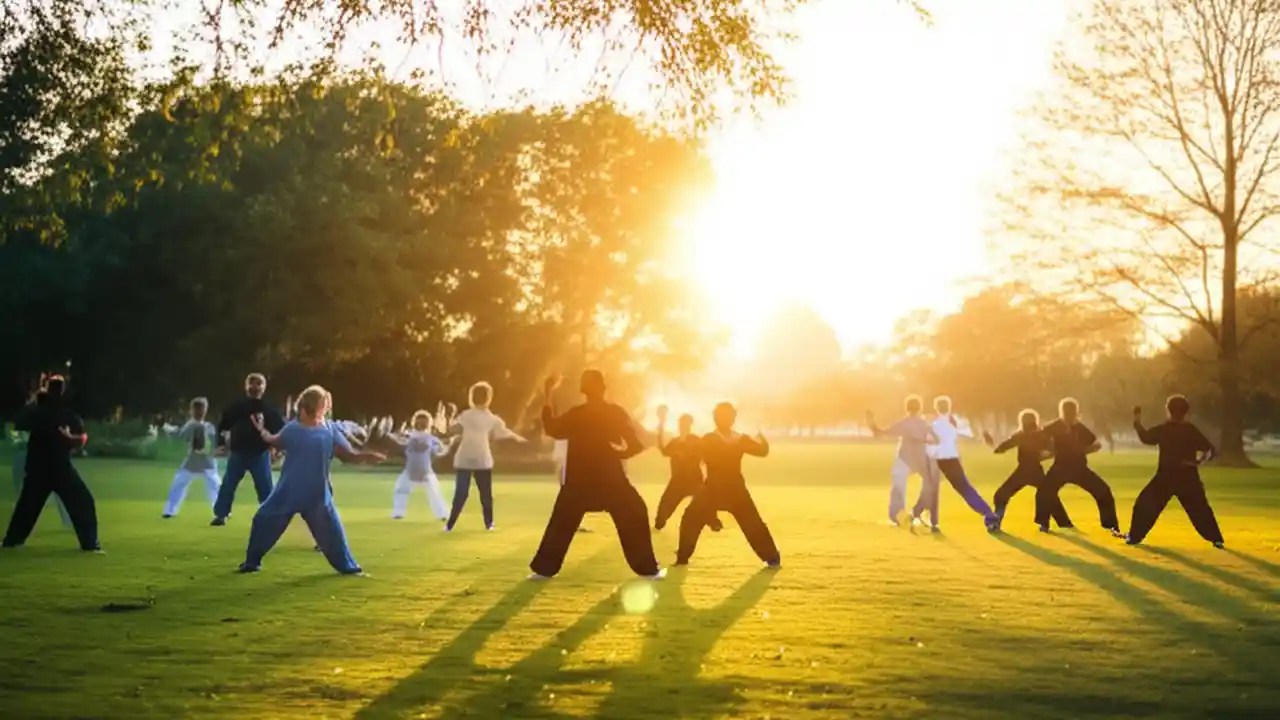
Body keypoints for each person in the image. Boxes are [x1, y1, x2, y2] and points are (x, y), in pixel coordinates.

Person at [529, 371, 664, 580]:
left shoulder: (576, 414)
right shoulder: (614, 412)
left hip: (579, 481)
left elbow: (553, 429)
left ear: (583, 390)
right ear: (604, 388)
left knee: (561, 521)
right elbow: (636, 445)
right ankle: (648, 570)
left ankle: (543, 571)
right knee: (636, 511)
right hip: (610, 480)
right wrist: (621, 453)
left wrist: (548, 395)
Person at [239, 385, 385, 574]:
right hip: (289, 490)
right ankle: (252, 562)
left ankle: (348, 567)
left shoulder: (330, 430)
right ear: (310, 405)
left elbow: (348, 455)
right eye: (323, 404)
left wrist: (368, 457)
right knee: (263, 521)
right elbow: (274, 440)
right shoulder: (292, 429)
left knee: (332, 534)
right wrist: (261, 431)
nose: (326, 408)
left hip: (315, 493)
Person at [674, 402, 781, 568]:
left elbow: (762, 451)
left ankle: (772, 557)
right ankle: (682, 558)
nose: (722, 419)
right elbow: (693, 458)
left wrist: (761, 437)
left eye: (726, 416)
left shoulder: (737, 439)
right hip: (715, 489)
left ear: (732, 418)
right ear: (715, 418)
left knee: (753, 523)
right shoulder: (711, 439)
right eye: (719, 415)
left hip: (733, 489)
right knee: (691, 518)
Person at [2, 376, 101, 551]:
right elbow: (80, 438)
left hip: (38, 468)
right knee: (83, 503)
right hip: (59, 467)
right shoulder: (65, 412)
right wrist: (69, 438)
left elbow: (19, 422)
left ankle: (12, 541)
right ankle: (90, 544)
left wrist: (34, 401)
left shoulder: (38, 411)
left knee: (27, 508)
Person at [1127, 397, 1224, 548]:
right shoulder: (1191, 430)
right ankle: (1216, 538)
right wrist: (1198, 462)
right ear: (1186, 412)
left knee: (1144, 504)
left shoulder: (1164, 429)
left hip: (1165, 476)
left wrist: (1137, 422)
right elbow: (1210, 450)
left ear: (1168, 410)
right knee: (1200, 509)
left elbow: (1146, 437)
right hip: (1188, 477)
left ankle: (1134, 537)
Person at [445, 381, 527, 532]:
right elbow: (503, 433)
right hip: (481, 459)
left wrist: (448, 420)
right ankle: (488, 524)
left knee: (461, 494)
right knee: (485, 494)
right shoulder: (492, 418)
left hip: (466, 458)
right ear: (489, 398)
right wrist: (518, 438)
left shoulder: (467, 416)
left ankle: (450, 525)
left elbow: (453, 430)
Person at [1038, 398, 1123, 537]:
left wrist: (1080, 450)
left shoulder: (1080, 428)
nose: (1069, 416)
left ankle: (1111, 526)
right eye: (1067, 413)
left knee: (1103, 491)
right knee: (1045, 492)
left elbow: (1096, 445)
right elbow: (1041, 441)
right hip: (1060, 467)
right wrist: (1051, 452)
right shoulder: (1053, 427)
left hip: (1079, 468)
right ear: (1062, 412)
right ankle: (1044, 524)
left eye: (1071, 413)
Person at [210, 373, 286, 526]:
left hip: (259, 453)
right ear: (246, 386)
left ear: (264, 388)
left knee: (265, 487)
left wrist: (278, 448)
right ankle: (221, 515)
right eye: (252, 383)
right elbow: (222, 425)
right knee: (228, 485)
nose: (255, 387)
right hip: (238, 452)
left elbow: (281, 430)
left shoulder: (269, 409)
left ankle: (269, 516)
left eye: (259, 383)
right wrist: (220, 443)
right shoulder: (237, 407)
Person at [984, 409, 1072, 532]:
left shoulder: (1019, 436)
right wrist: (1041, 457)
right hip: (1036, 470)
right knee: (1049, 495)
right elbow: (1054, 451)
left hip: (1022, 471)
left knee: (1001, 495)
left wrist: (991, 443)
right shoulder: (1041, 436)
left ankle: (996, 522)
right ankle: (1060, 523)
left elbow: (1000, 449)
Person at [921, 396, 1000, 532]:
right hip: (952, 460)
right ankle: (989, 516)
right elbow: (969, 435)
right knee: (965, 489)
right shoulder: (954, 423)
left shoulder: (935, 426)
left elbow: (930, 445)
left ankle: (931, 521)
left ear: (936, 408)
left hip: (937, 460)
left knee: (932, 491)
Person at [867, 396, 938, 526]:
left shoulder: (904, 423)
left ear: (906, 408)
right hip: (919, 459)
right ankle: (919, 511)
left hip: (905, 458)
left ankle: (898, 515)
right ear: (920, 408)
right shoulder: (924, 424)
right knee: (930, 483)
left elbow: (881, 433)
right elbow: (936, 439)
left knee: (898, 486)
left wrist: (872, 424)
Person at [653, 405, 722, 532]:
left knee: (706, 501)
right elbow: (664, 451)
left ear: (689, 425)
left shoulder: (695, 440)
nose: (682, 426)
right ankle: (659, 523)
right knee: (665, 504)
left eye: (685, 424)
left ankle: (714, 523)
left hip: (694, 479)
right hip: (677, 480)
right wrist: (661, 426)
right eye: (681, 423)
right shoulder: (675, 441)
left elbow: (704, 455)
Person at [11, 388, 73, 528]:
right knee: (29, 492)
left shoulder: (35, 415)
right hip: (31, 455)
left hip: (33, 456)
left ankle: (24, 521)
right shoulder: (33, 415)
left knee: (31, 491)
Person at [162, 397, 221, 518]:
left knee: (215, 486)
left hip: (207, 462)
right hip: (193, 461)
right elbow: (182, 437)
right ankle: (169, 510)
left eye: (202, 408)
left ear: (205, 410)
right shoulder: (192, 425)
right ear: (192, 410)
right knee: (178, 484)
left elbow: (213, 443)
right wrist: (172, 430)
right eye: (197, 409)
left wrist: (170, 429)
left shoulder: (207, 426)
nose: (200, 411)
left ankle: (221, 511)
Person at [389, 409, 453, 521]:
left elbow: (399, 441)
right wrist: (449, 445)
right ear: (428, 424)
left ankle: (398, 513)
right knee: (435, 493)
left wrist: (393, 434)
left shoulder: (409, 436)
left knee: (400, 490)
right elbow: (440, 451)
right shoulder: (432, 439)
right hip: (426, 471)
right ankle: (442, 514)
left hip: (410, 470)